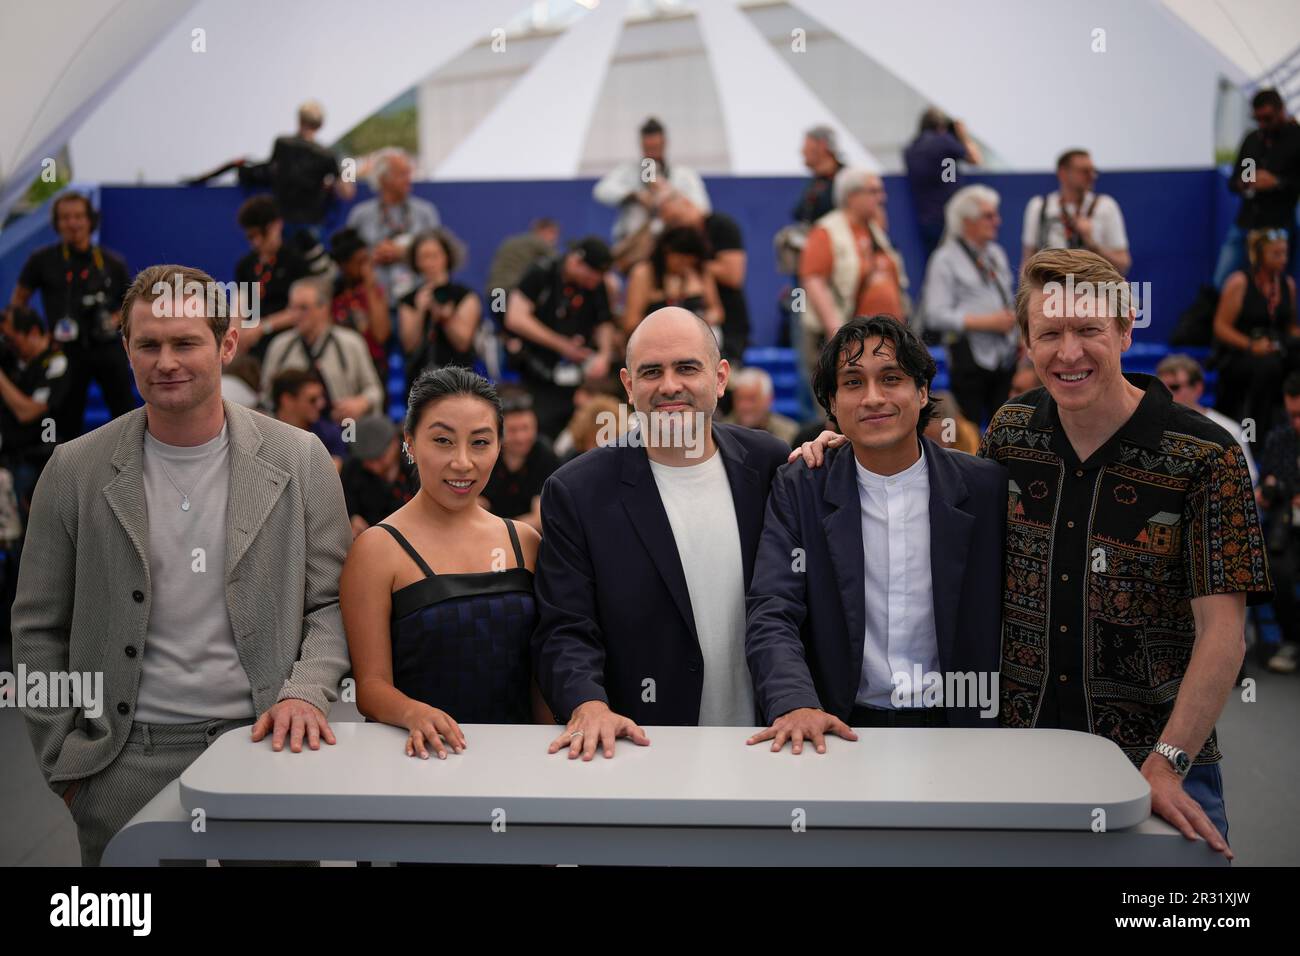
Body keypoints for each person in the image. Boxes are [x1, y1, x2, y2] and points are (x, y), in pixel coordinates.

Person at [12, 263, 353, 867]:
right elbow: (38, 627)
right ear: (126, 349)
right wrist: (66, 763)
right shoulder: (73, 470)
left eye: (185, 342)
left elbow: (330, 604)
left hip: (268, 745)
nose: (166, 361)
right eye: (149, 344)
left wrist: (304, 693)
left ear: (226, 343)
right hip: (122, 764)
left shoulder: (300, 460)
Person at [980, 248, 1272, 859]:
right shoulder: (1010, 432)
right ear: (1027, 340)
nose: (1069, 352)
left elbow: (1224, 635)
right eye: (1050, 333)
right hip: (1020, 760)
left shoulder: (1207, 455)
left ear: (1124, 327)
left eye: (1088, 329)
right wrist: (840, 456)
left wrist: (1166, 765)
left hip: (1159, 765)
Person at [531, 307, 792, 758]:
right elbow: (565, 628)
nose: (670, 385)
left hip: (768, 744)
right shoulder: (577, 491)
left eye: (687, 367)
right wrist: (588, 704)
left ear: (720, 377)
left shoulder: (770, 463)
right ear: (629, 386)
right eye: (652, 372)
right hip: (642, 751)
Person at [747, 316, 1006, 752]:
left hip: (964, 731)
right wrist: (794, 703)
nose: (873, 398)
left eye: (891, 379)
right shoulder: (800, 487)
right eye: (852, 382)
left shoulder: (986, 488)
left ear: (922, 392)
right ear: (832, 400)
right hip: (837, 728)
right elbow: (773, 609)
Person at [340, 367, 548, 756]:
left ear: (499, 446)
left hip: (517, 760)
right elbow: (370, 687)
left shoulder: (524, 542)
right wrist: (413, 713)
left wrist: (551, 756)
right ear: (410, 444)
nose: (463, 462)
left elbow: (540, 678)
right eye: (443, 441)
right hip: (420, 757)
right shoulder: (377, 549)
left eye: (480, 442)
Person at [10, 191, 134, 434]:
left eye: (78, 216)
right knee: (65, 424)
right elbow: (18, 301)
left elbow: (130, 306)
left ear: (90, 220)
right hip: (64, 351)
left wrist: (112, 320)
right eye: (65, 217)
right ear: (57, 223)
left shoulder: (112, 262)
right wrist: (37, 338)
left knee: (125, 415)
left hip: (107, 348)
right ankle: (66, 470)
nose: (73, 223)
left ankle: (130, 465)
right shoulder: (41, 260)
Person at [797, 168, 906, 394]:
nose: (882, 198)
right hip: (852, 341)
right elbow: (813, 279)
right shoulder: (827, 230)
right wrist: (836, 331)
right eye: (874, 191)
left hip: (885, 340)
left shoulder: (875, 230)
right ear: (851, 196)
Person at [921, 184, 1018, 427]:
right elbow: (934, 314)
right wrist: (988, 323)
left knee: (1007, 425)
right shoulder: (944, 259)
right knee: (970, 429)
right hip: (968, 359)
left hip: (1004, 356)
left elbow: (1007, 297)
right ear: (966, 221)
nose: (997, 221)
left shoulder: (996, 253)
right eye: (988, 215)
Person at [504, 238, 617, 438]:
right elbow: (515, 317)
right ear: (575, 262)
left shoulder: (596, 285)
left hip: (579, 375)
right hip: (538, 370)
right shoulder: (542, 273)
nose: (594, 282)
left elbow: (604, 321)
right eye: (591, 275)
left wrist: (604, 355)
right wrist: (561, 345)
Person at [261, 277, 385, 426]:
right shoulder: (280, 347)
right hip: (291, 435)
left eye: (303, 308)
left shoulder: (351, 343)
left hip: (345, 431)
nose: (296, 315)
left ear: (324, 308)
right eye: (292, 308)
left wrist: (361, 403)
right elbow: (265, 397)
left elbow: (375, 390)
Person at [1212, 228, 1297, 441]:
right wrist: (1251, 345)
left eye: (1285, 253)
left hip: (1276, 350)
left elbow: (1290, 327)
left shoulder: (1287, 284)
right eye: (1276, 254)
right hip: (1241, 354)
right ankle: (1254, 437)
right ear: (1259, 255)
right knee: (1267, 367)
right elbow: (1221, 327)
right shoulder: (1239, 282)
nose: (1283, 259)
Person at [593, 117, 710, 263]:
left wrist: (669, 198)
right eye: (648, 149)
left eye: (656, 148)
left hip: (672, 247)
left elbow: (702, 209)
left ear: (664, 143)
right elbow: (601, 191)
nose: (652, 154)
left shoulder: (683, 175)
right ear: (641, 145)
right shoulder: (628, 171)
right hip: (636, 249)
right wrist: (635, 196)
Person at [1214, 88, 1300, 287]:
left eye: (1268, 118)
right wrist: (1246, 182)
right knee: (1222, 281)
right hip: (1246, 222)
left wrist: (1277, 182)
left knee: (1274, 286)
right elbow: (1238, 178)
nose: (1263, 124)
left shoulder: (1295, 139)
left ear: (1281, 111)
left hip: (1278, 227)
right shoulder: (1253, 139)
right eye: (1258, 119)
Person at [232, 194, 329, 360]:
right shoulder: (246, 265)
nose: (256, 242)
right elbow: (240, 307)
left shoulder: (296, 260)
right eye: (250, 236)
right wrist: (235, 337)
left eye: (261, 234)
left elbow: (302, 309)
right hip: (252, 347)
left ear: (277, 225)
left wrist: (264, 327)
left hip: (289, 344)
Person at [0, 305, 74, 522]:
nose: (9, 345)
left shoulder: (57, 362)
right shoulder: (11, 359)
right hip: (8, 456)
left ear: (32, 332)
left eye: (12, 339)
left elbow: (28, 412)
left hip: (38, 462)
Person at [660, 194, 751, 365]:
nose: (676, 225)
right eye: (670, 223)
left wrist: (697, 268)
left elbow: (734, 276)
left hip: (728, 325)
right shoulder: (664, 272)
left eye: (676, 219)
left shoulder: (720, 227)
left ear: (688, 203)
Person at [345, 147, 440, 305]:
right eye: (402, 174)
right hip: (373, 301)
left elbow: (439, 258)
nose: (409, 179)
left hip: (417, 301)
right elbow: (348, 262)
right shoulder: (360, 216)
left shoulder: (425, 213)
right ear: (383, 179)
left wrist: (406, 254)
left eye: (409, 173)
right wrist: (370, 257)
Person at [1021, 149, 1130, 275]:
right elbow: (1027, 261)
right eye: (1084, 171)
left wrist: (1091, 243)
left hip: (1091, 289)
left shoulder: (1105, 206)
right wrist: (1025, 293)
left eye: (1093, 171)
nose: (1092, 176)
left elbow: (1123, 264)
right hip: (1050, 289)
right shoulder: (1039, 207)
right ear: (1062, 173)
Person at [1255, 373, 1300, 674]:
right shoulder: (1280, 438)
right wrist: (1266, 494)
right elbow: (1267, 482)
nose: (1297, 423)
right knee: (1277, 572)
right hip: (1289, 525)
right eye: (1293, 415)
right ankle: (1292, 640)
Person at [1156, 353, 1258, 486]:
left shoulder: (1228, 429)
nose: (1167, 394)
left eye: (1175, 387)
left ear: (1198, 388)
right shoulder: (1151, 426)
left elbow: (1248, 478)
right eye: (1162, 388)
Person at [397, 228, 480, 390]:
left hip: (458, 383)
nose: (430, 263)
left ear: (447, 258)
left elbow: (463, 342)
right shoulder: (408, 301)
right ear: (416, 262)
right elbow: (409, 345)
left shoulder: (466, 296)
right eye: (423, 257)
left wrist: (446, 317)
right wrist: (419, 312)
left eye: (434, 256)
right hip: (420, 384)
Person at [903, 107, 983, 266]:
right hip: (950, 217)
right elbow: (975, 159)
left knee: (934, 265)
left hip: (925, 218)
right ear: (941, 127)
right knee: (957, 263)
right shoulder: (945, 142)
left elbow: (946, 168)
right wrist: (961, 134)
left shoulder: (910, 149)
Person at [268, 100, 354, 236]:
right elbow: (347, 192)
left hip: (281, 217)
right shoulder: (325, 155)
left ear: (300, 119)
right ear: (320, 124)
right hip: (311, 220)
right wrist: (349, 169)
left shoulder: (281, 144)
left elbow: (272, 170)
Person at [481, 390, 558, 534]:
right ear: (498, 431)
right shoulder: (486, 453)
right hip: (487, 532)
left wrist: (501, 530)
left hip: (526, 536)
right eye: (512, 430)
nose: (521, 437)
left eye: (526, 428)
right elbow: (476, 506)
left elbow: (539, 518)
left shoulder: (544, 454)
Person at [623, 226, 722, 336]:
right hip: (657, 338)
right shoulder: (643, 273)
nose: (685, 266)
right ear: (666, 252)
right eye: (680, 260)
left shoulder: (700, 271)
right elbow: (630, 323)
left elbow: (717, 311)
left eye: (690, 262)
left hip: (696, 337)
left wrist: (706, 319)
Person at [329, 227, 391, 384]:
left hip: (373, 368)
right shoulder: (332, 296)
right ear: (344, 265)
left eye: (368, 260)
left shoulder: (375, 292)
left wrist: (370, 289)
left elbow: (381, 335)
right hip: (339, 367)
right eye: (360, 262)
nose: (367, 267)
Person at [340, 413, 417, 537]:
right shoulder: (353, 468)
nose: (374, 466)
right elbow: (345, 504)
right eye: (368, 460)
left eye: (379, 457)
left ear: (394, 443)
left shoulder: (415, 466)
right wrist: (351, 518)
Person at [271, 368, 346, 467]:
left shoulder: (330, 434)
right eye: (312, 400)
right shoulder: (262, 430)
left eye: (321, 397)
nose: (321, 404)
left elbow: (330, 476)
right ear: (287, 400)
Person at [486, 218, 561, 303]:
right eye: (553, 233)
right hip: (512, 294)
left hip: (496, 293)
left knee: (500, 314)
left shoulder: (510, 241)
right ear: (543, 230)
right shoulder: (538, 242)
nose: (555, 239)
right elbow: (561, 263)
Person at [722, 367, 799, 446]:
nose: (745, 406)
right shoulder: (720, 432)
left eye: (751, 399)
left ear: (769, 399)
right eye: (739, 399)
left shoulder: (788, 433)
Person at [792, 125, 845, 226]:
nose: (802, 152)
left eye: (806, 146)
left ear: (822, 146)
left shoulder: (847, 179)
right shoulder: (818, 182)